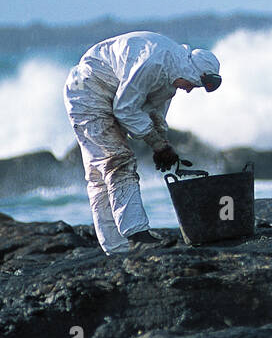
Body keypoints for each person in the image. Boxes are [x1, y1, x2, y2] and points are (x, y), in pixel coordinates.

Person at [63, 31, 221, 255]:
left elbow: (154, 112)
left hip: (98, 88)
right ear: (191, 71)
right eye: (193, 84)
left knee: (99, 176)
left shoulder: (171, 72)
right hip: (85, 88)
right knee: (118, 161)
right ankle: (137, 235)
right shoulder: (154, 63)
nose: (188, 89)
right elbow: (125, 109)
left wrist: (163, 144)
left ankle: (115, 248)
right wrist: (159, 146)